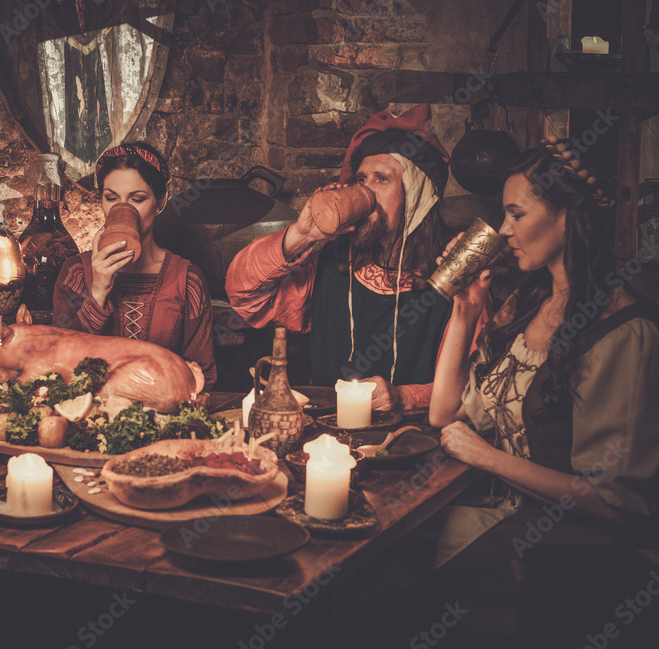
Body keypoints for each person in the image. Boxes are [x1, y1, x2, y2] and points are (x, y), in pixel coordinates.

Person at [421, 138, 659, 646]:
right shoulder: (527, 303)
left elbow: (611, 501)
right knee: (394, 553)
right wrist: (464, 310)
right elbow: (446, 416)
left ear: (567, 218)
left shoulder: (623, 332)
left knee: (417, 580)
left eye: (516, 213)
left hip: (577, 540)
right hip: (506, 510)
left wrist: (486, 457)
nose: (504, 230)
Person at [225, 104, 454, 410]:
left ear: (417, 196)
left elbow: (471, 392)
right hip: (328, 446)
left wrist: (404, 396)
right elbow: (244, 296)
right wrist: (301, 236)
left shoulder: (452, 281)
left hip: (412, 444)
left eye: (381, 179)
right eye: (361, 179)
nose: (366, 191)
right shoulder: (329, 266)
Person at [52, 141, 217, 390]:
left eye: (137, 199)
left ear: (159, 202)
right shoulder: (75, 273)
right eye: (111, 198)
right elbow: (58, 365)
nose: (123, 209)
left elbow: (202, 375)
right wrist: (97, 291)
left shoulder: (187, 280)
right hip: (89, 416)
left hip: (160, 417)